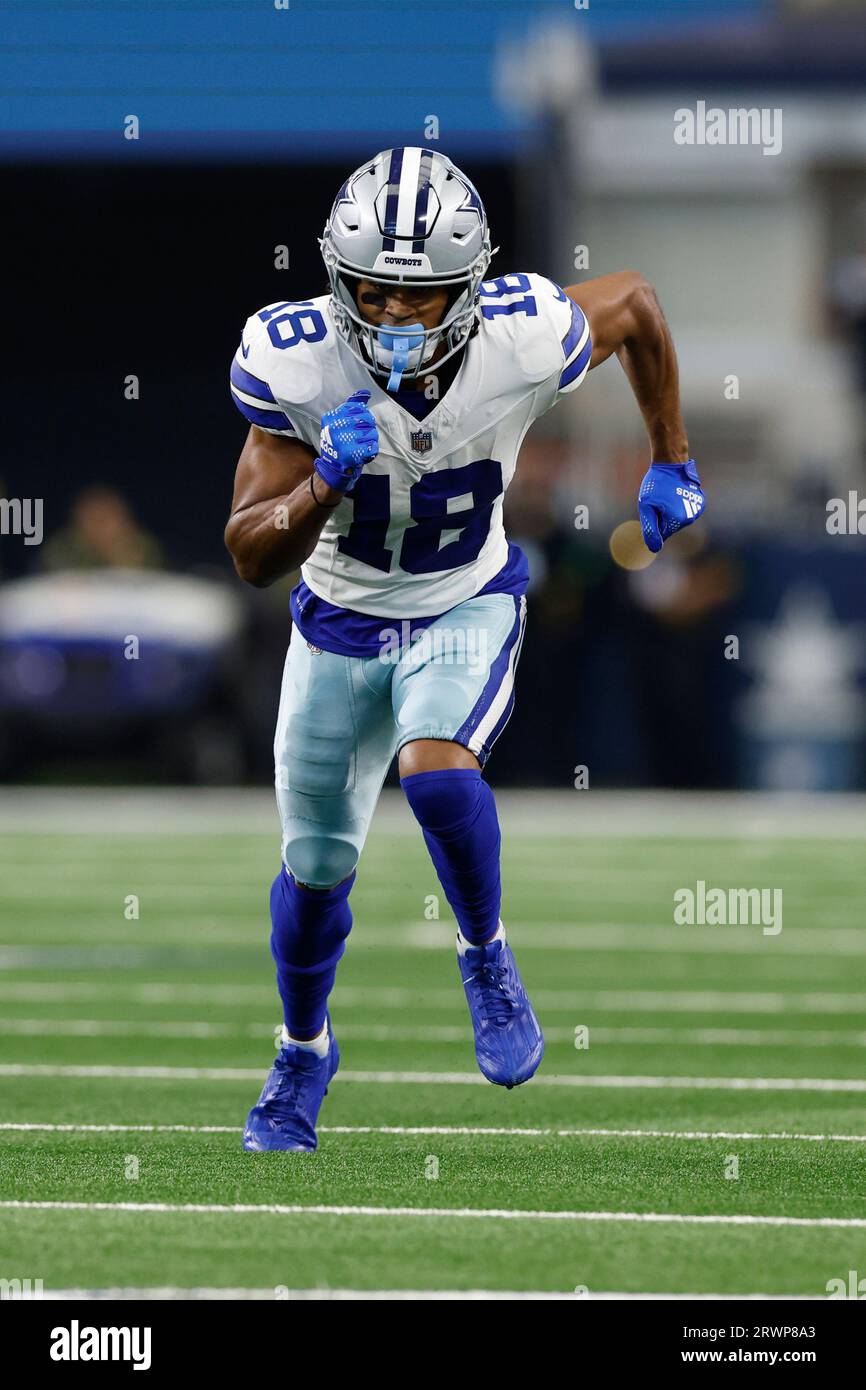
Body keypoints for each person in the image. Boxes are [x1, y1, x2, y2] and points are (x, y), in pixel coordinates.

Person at [225, 147, 705, 1151]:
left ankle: (484, 954)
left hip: (461, 600)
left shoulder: (518, 336)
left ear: (470, 285)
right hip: (336, 622)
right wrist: (318, 482)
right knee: (313, 876)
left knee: (436, 772)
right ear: (335, 277)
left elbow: (634, 305)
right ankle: (302, 1051)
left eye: (422, 296)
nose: (395, 318)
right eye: (372, 292)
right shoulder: (298, 362)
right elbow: (248, 554)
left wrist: (671, 455)